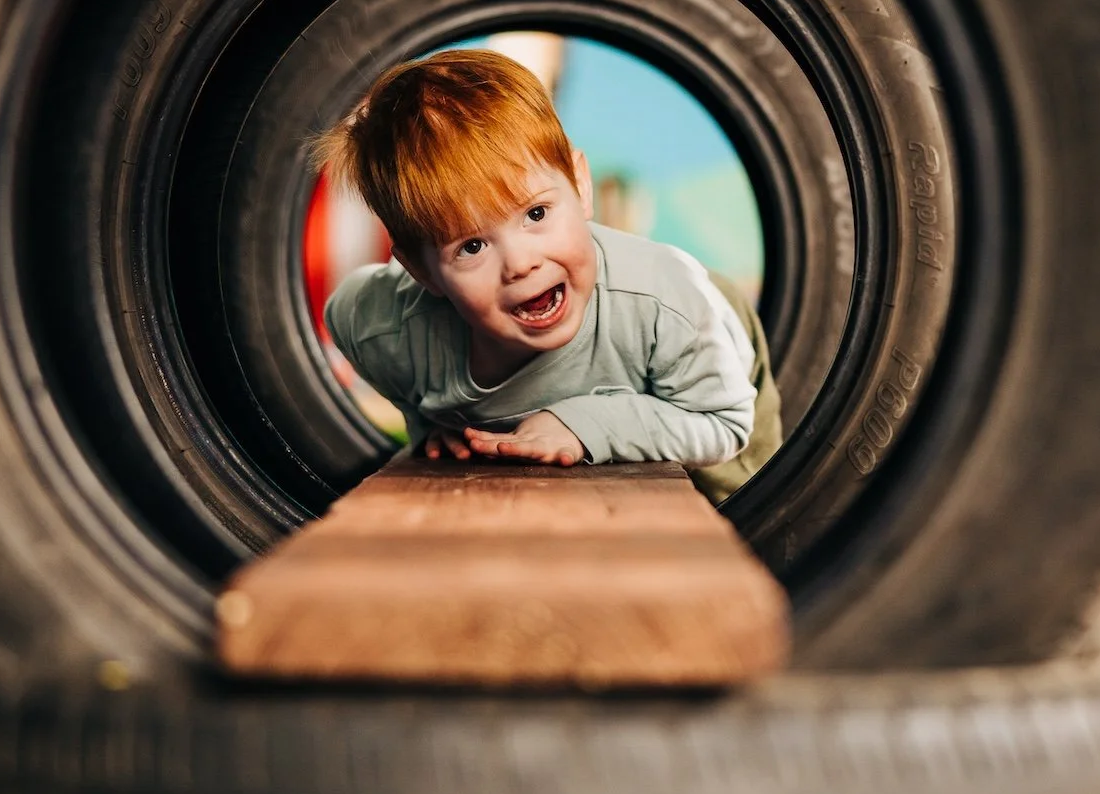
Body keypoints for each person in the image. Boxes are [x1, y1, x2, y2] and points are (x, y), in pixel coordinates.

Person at [314, 48, 780, 502]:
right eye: (471, 246)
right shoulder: (389, 329)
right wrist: (427, 423)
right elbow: (343, 314)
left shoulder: (665, 302)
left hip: (705, 351)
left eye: (535, 213)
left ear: (580, 187)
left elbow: (723, 425)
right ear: (421, 271)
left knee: (737, 499)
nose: (521, 264)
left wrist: (584, 424)